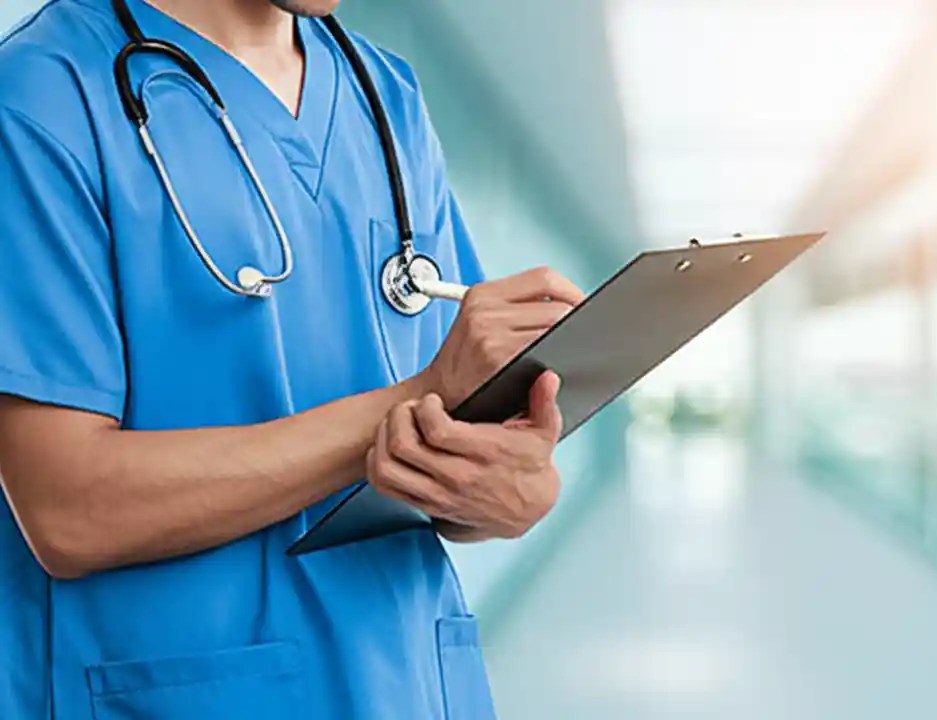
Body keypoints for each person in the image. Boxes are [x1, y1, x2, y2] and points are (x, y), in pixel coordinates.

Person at [0, 0, 584, 717]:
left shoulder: (384, 95)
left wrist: (506, 493)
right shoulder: (42, 98)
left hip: (405, 683)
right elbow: (67, 512)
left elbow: (446, 426)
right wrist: (408, 403)